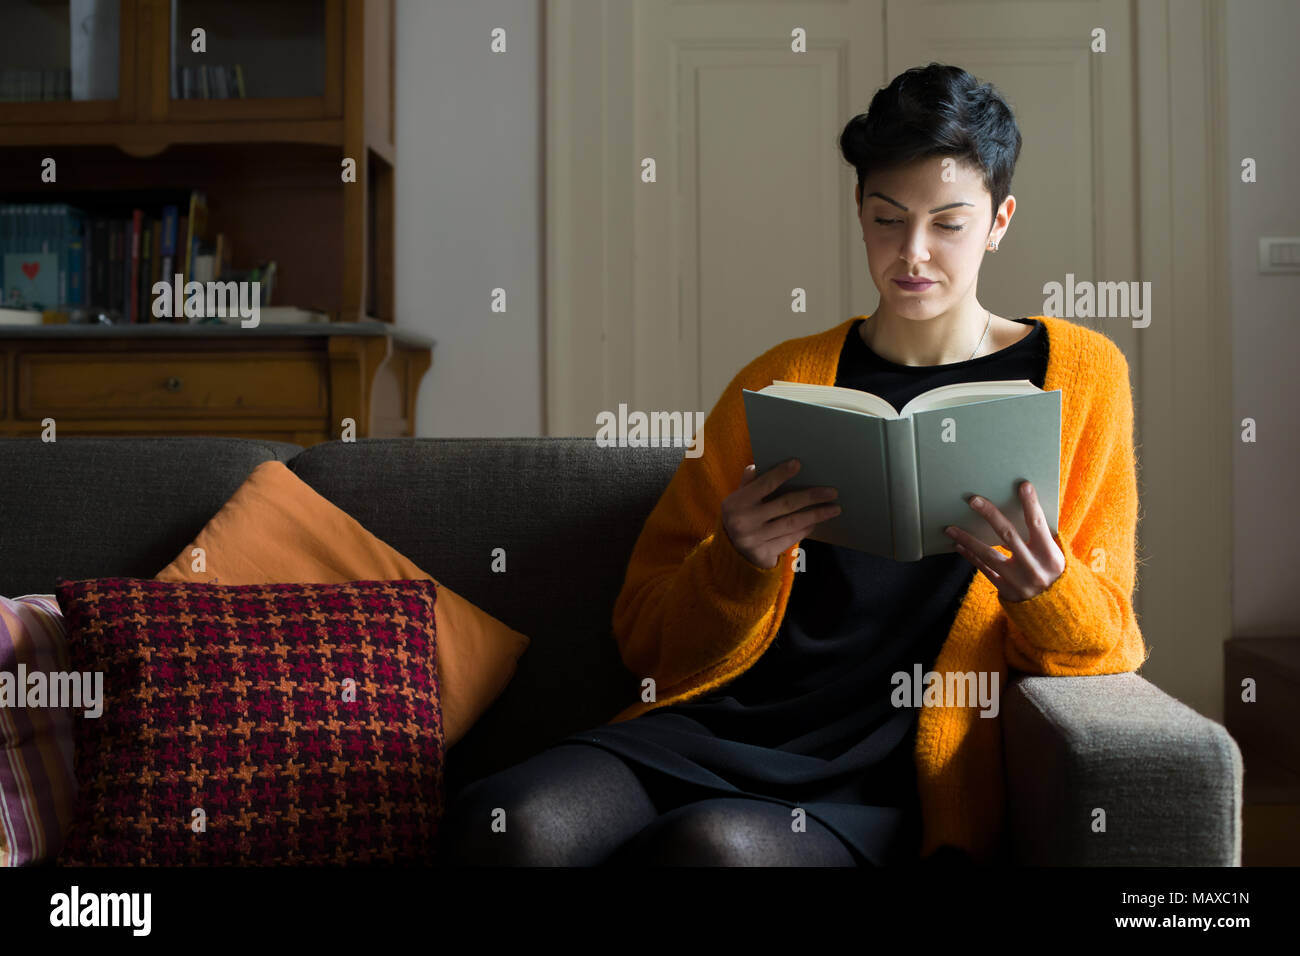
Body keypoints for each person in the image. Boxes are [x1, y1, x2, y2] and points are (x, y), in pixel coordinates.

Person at [437, 62, 1148, 867]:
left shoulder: (1082, 375)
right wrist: (734, 565)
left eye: (948, 223)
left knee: (714, 852)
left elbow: (1109, 646)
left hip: (883, 769)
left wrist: (1045, 594)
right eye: (887, 220)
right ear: (859, 211)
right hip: (719, 724)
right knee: (506, 819)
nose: (912, 254)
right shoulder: (780, 377)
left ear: (999, 221)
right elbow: (643, 634)